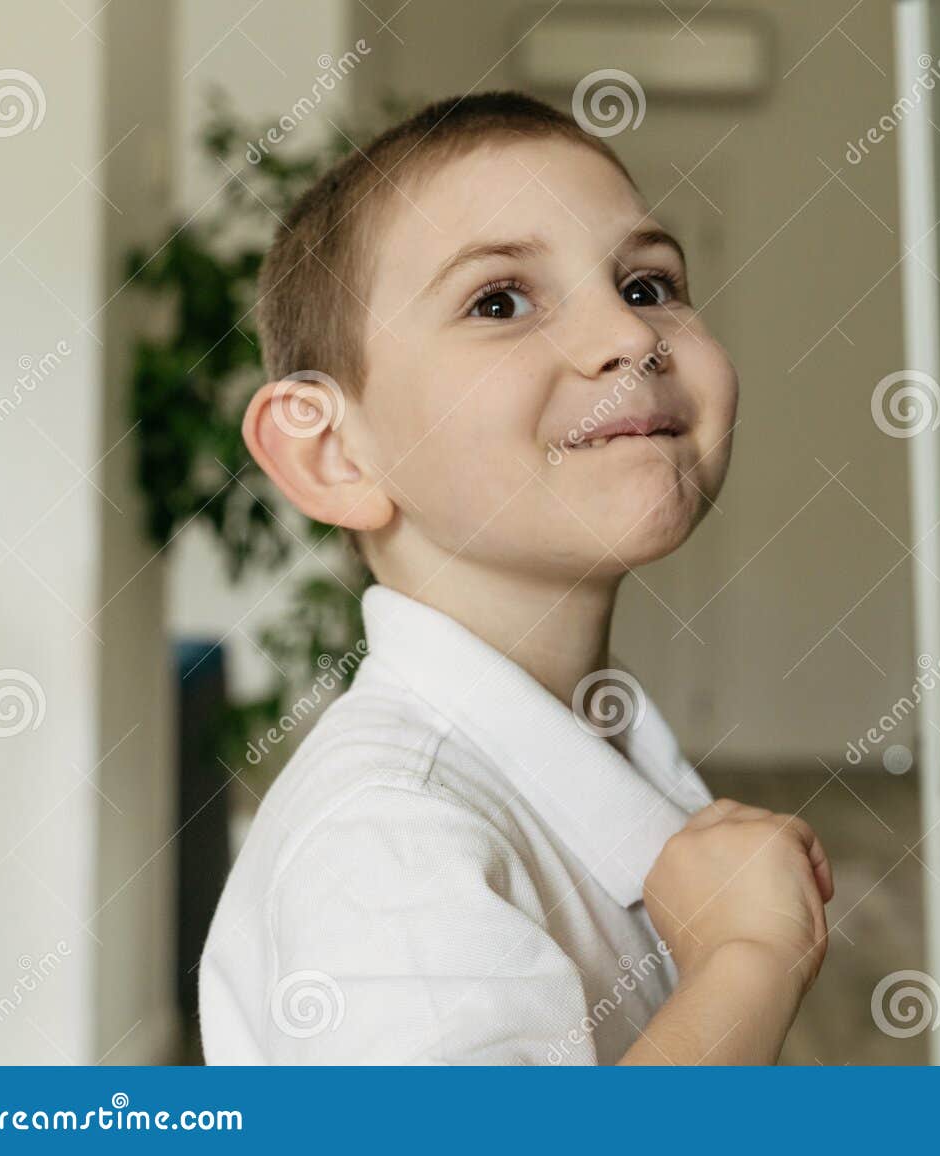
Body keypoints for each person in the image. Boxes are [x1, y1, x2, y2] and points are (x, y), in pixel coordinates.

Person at [199, 91, 832, 1065]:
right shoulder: (386, 841)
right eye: (499, 301)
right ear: (331, 456)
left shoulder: (601, 745)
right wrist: (748, 959)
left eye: (649, 284)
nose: (628, 336)